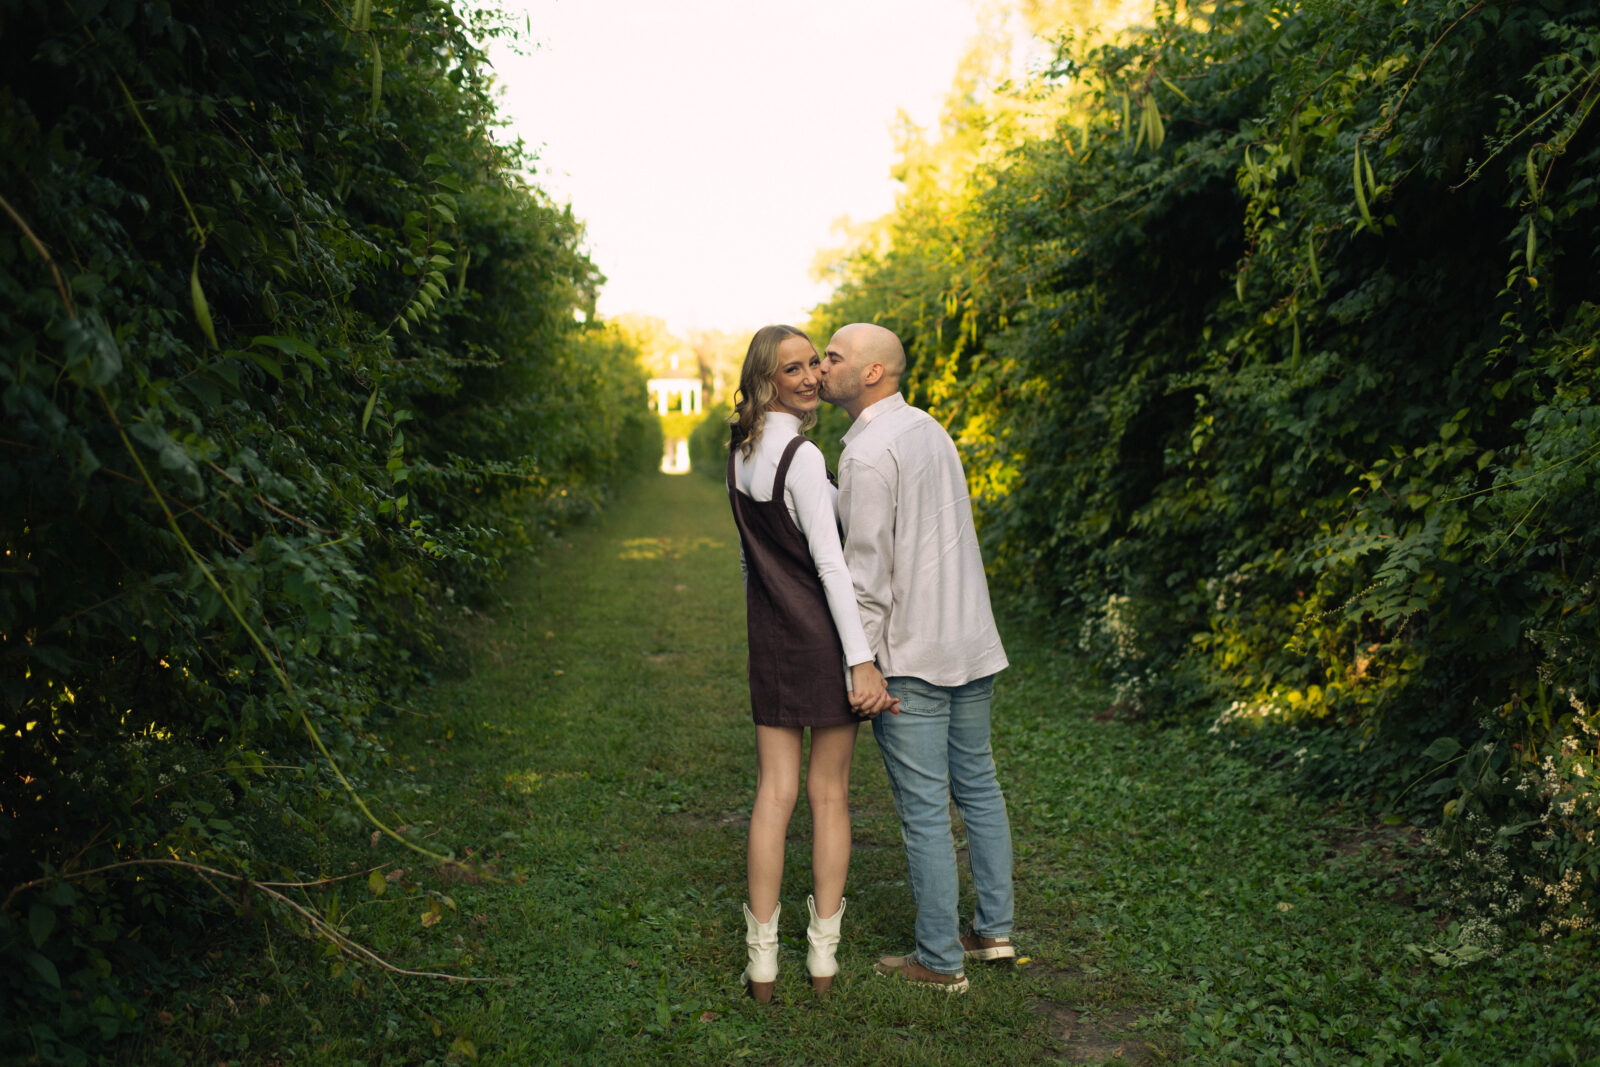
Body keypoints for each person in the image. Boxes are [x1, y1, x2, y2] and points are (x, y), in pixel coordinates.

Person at [816, 322, 1017, 995]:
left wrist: (860, 662)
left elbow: (866, 574)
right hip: (969, 639)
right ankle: (992, 929)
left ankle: (938, 957)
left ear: (873, 373)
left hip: (913, 653)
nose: (822, 365)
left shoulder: (867, 453)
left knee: (927, 808)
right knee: (980, 788)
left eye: (834, 357)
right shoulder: (929, 428)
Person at [726, 324, 896, 1002]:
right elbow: (832, 564)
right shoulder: (800, 454)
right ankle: (821, 960)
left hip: (770, 639)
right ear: (766, 380)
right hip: (823, 640)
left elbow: (749, 558)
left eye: (811, 365)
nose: (807, 378)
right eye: (790, 369)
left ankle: (762, 961)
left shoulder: (738, 450)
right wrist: (862, 661)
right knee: (827, 797)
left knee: (773, 796)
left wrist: (762, 616)